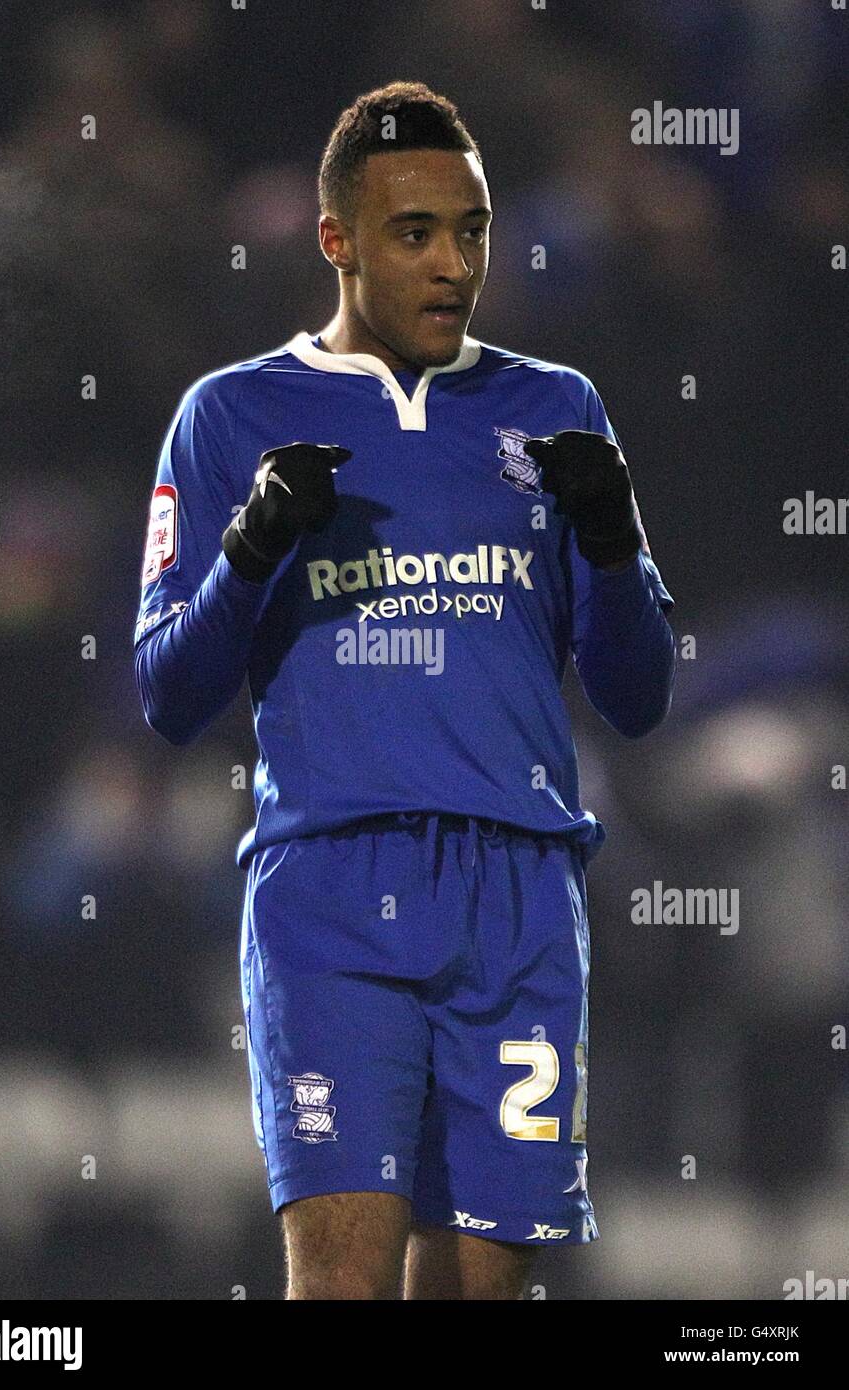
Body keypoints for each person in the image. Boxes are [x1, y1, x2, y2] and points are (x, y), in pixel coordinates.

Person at [134, 80, 676, 1300]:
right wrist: (251, 551)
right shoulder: (231, 416)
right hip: (332, 885)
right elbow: (169, 693)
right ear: (338, 241)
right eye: (415, 232)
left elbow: (637, 696)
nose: (454, 264)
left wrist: (609, 543)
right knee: (341, 1286)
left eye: (472, 229)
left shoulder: (557, 410)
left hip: (521, 894)